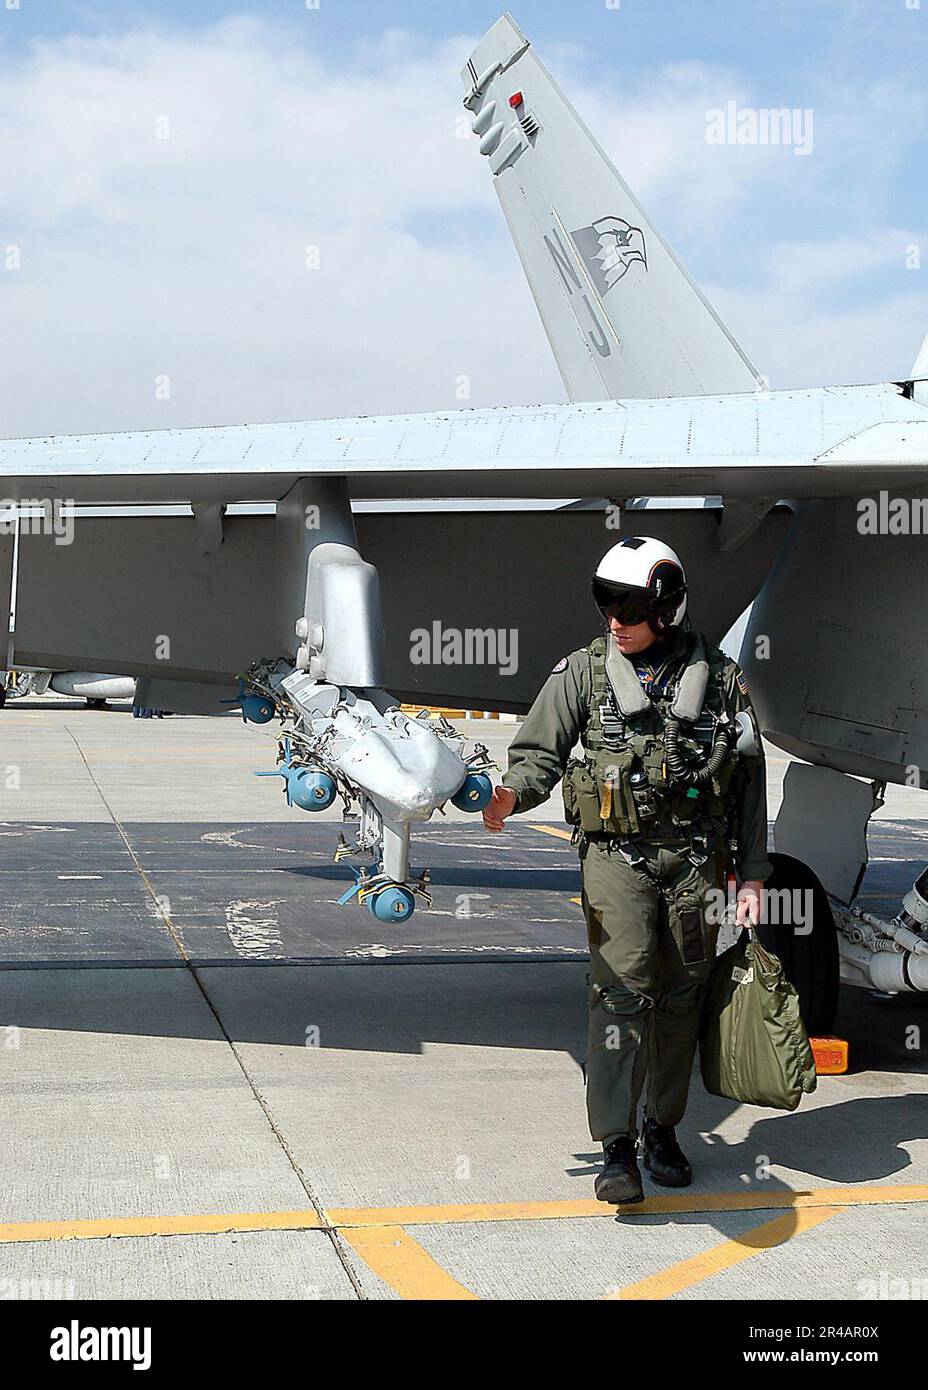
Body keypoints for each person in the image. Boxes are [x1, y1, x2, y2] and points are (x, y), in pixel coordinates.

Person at [483, 536, 772, 1204]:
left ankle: (662, 1128)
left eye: (631, 605)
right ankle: (616, 1145)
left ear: (666, 607)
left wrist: (752, 874)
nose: (616, 618)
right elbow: (536, 756)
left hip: (697, 864)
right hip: (617, 859)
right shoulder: (582, 673)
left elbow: (749, 784)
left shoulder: (722, 680)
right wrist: (507, 797)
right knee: (620, 992)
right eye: (606, 602)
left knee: (680, 998)